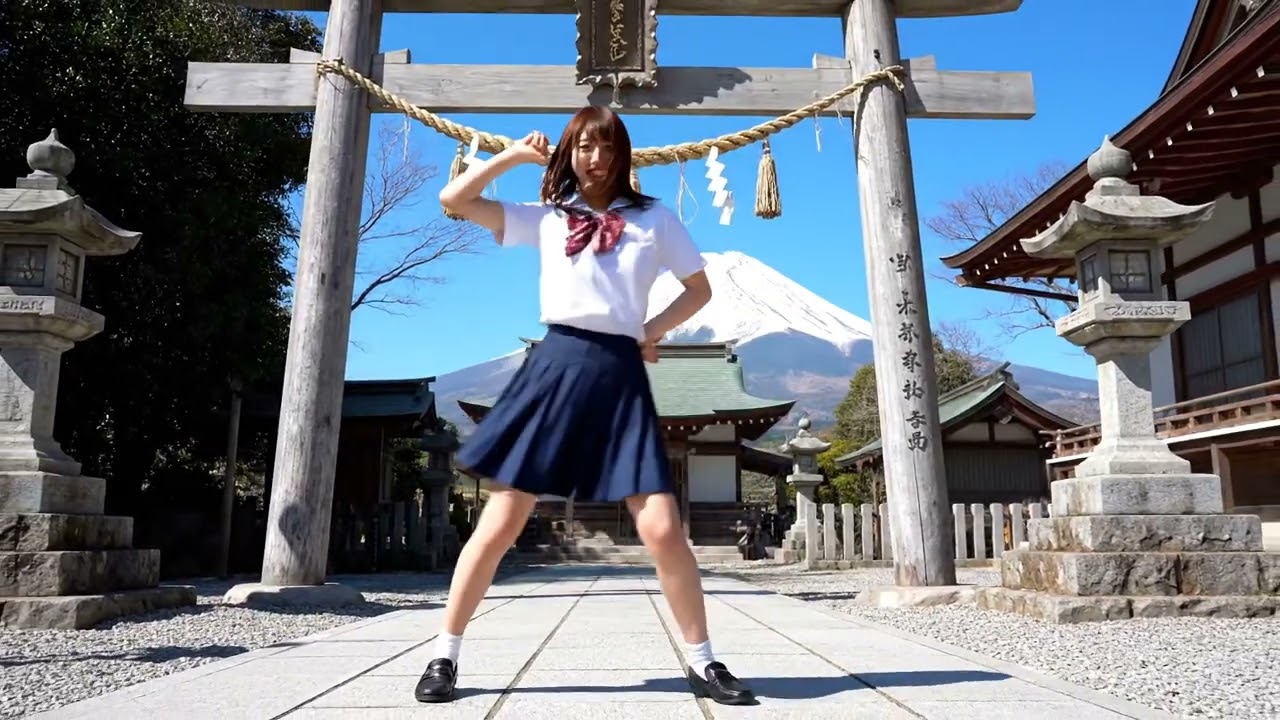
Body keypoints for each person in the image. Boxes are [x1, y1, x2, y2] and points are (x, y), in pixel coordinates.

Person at [414, 106, 756, 708]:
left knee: (661, 527)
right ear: (568, 154)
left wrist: (651, 331)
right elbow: (456, 198)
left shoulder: (656, 219)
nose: (595, 158)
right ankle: (445, 653)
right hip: (554, 366)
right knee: (502, 520)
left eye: (606, 146)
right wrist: (516, 157)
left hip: (620, 370)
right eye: (583, 147)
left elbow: (699, 288)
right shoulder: (548, 217)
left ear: (622, 153)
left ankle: (704, 661)